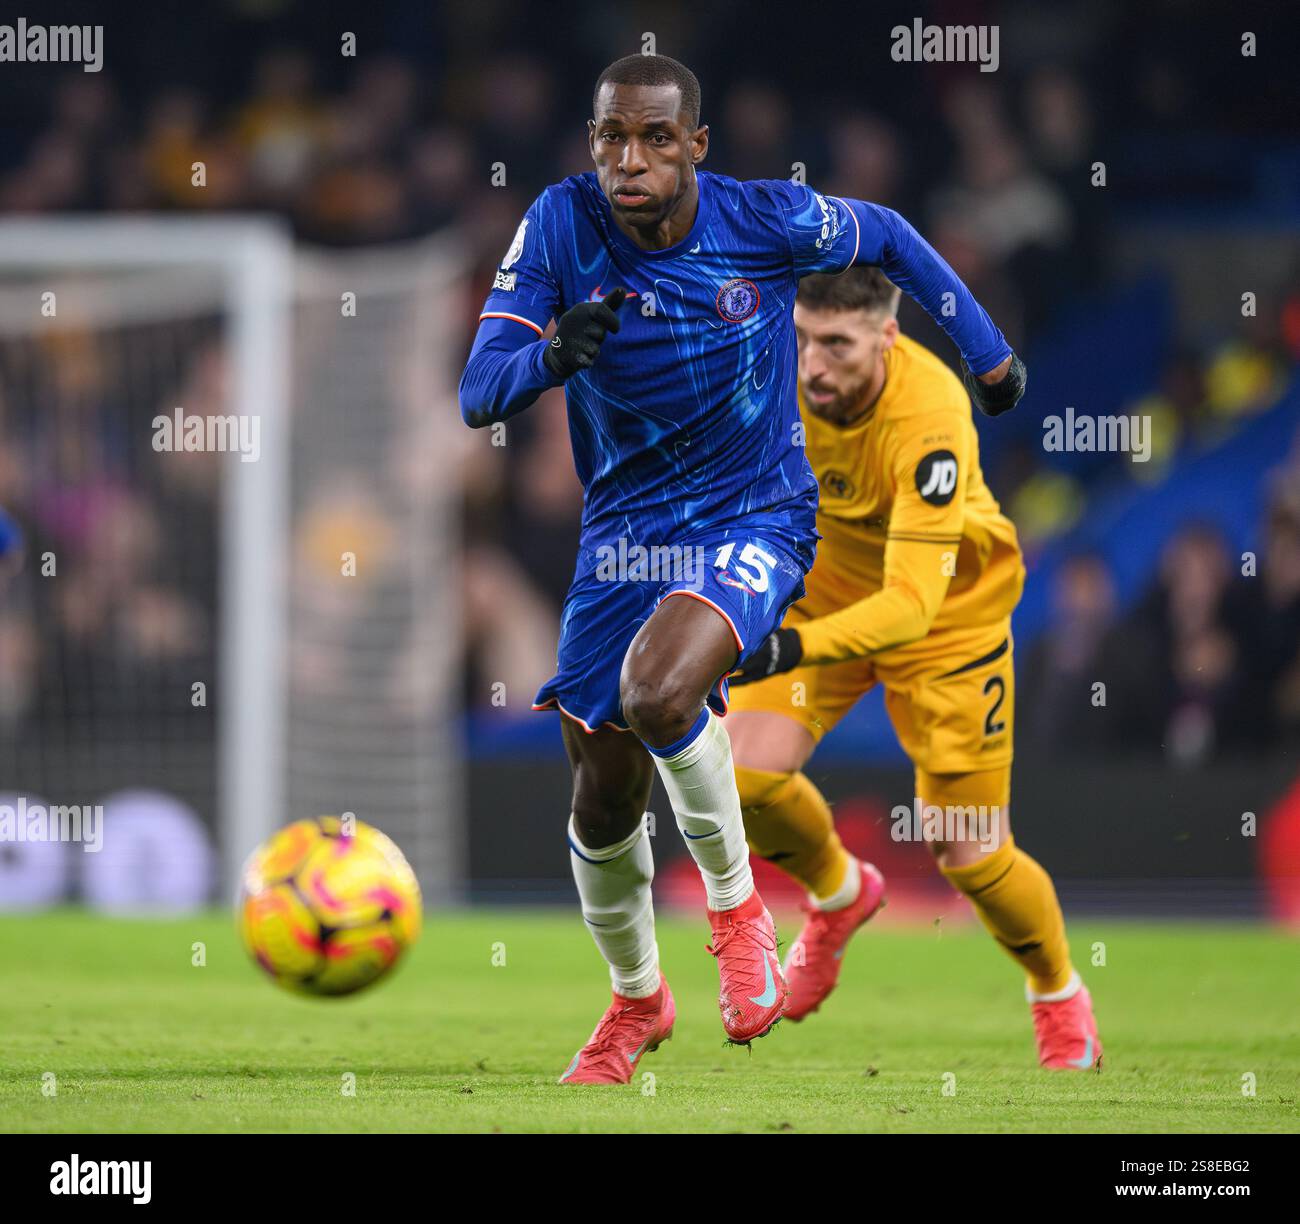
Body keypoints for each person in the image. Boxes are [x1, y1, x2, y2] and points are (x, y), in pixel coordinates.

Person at [459, 54, 1024, 1085]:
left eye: (654, 140)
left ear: (695, 148)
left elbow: (888, 236)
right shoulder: (555, 223)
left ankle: (736, 918)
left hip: (753, 514)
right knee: (601, 793)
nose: (628, 161)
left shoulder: (765, 220)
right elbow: (477, 394)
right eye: (609, 139)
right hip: (622, 537)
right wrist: (549, 358)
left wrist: (986, 356)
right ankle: (637, 1003)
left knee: (660, 691)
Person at [726, 267, 1101, 1069]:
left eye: (836, 345)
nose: (812, 365)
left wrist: (787, 647)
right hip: (824, 595)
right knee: (742, 778)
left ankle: (1058, 989)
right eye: (801, 339)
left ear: (887, 338)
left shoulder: (929, 416)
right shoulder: (769, 375)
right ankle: (838, 893)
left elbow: (909, 606)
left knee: (967, 849)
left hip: (946, 619)